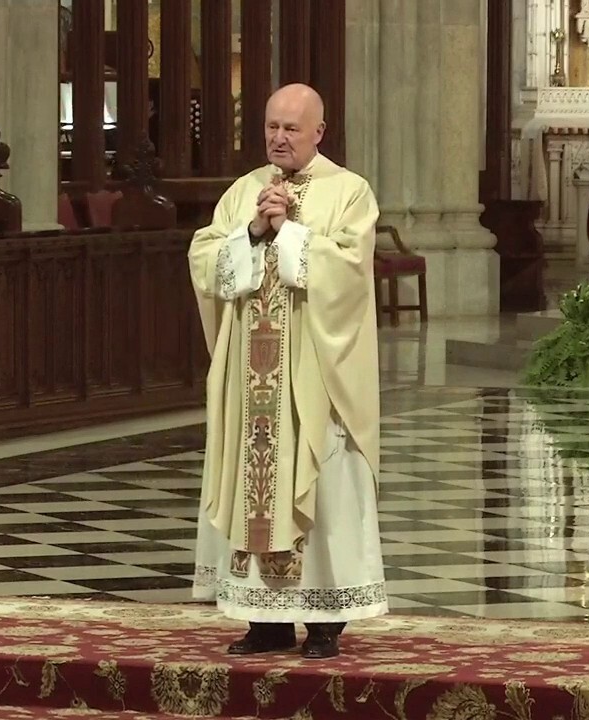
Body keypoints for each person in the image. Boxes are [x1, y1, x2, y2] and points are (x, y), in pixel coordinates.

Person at [188, 83, 386, 659]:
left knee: (321, 488)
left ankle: (325, 619)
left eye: (292, 128)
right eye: (272, 126)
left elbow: (350, 271)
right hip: (251, 382)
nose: (278, 137)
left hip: (315, 377)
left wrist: (290, 231)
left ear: (319, 132)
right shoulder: (243, 191)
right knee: (251, 483)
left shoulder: (350, 192)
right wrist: (251, 232)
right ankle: (263, 620)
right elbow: (204, 257)